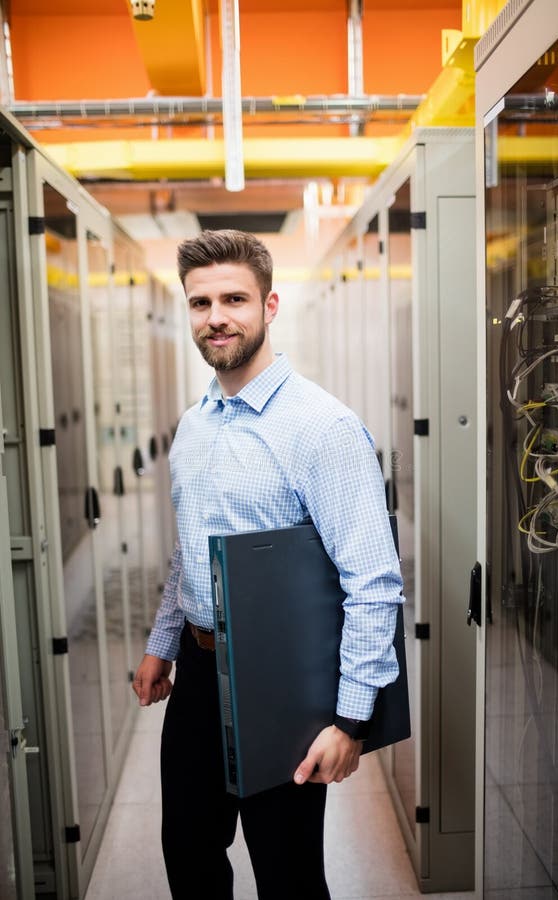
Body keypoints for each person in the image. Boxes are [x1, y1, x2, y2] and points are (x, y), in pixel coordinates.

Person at [132, 229, 403, 900]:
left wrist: (348, 721)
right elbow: (190, 549)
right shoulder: (193, 427)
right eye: (201, 303)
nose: (216, 317)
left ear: (269, 305)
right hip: (197, 674)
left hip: (279, 680)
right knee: (188, 853)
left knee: (287, 872)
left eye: (233, 299)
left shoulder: (322, 430)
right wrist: (161, 645)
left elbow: (373, 585)